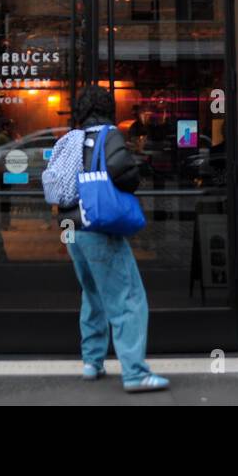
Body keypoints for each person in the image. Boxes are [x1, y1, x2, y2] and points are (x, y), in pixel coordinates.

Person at [64, 85, 168, 393]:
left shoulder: (72, 138)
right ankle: (135, 373)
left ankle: (91, 362)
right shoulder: (108, 135)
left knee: (92, 294)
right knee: (128, 299)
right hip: (100, 228)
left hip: (73, 229)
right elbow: (125, 172)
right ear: (108, 108)